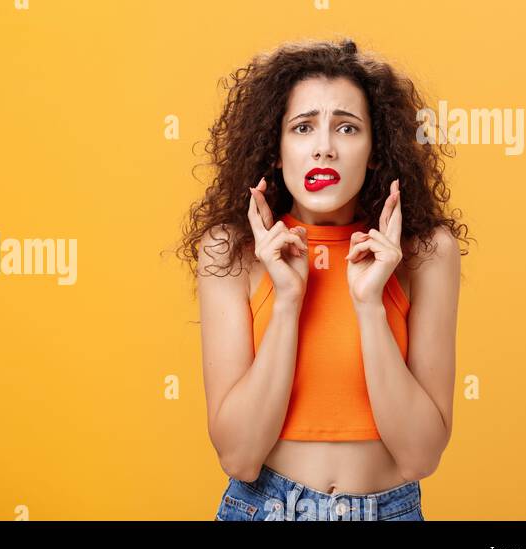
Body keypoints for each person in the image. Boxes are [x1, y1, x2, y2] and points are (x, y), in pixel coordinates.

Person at [177, 39, 472, 521]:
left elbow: (421, 457)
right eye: (303, 127)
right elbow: (239, 455)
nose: (324, 147)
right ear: (275, 149)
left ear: (376, 151)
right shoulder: (229, 250)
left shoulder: (425, 253)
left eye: (347, 128)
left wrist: (371, 305)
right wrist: (288, 301)